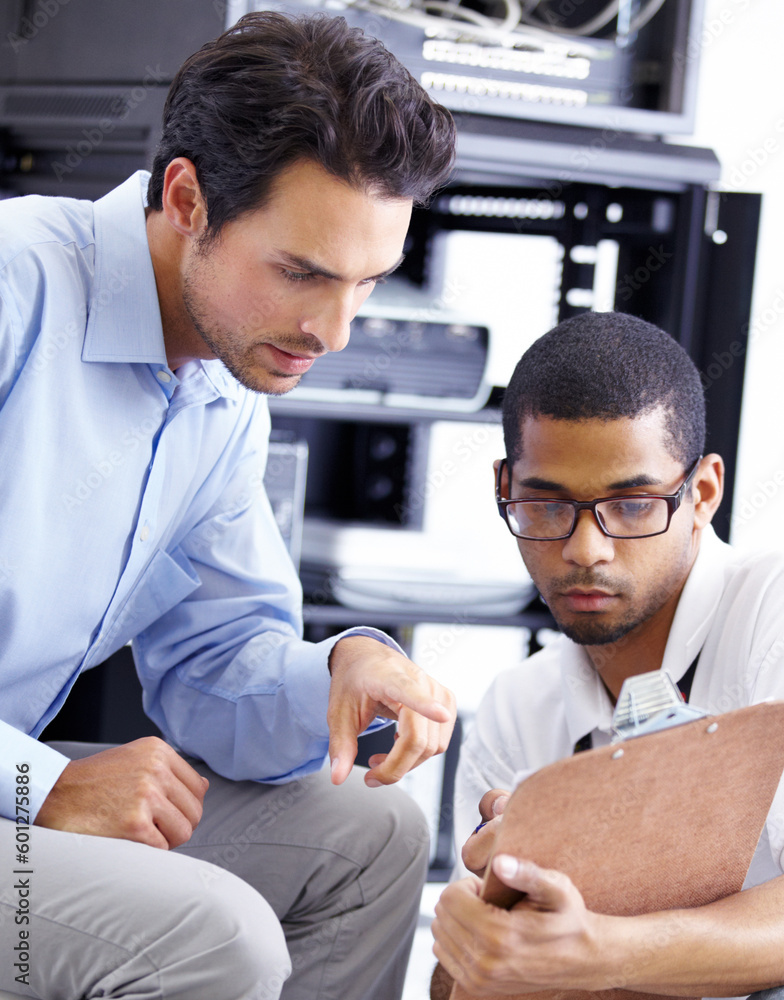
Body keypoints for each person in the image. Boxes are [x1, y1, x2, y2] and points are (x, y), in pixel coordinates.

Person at [0, 11, 458, 1000]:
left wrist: (341, 671)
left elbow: (215, 669)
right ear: (186, 198)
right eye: (301, 273)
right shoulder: (13, 285)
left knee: (372, 834)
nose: (332, 332)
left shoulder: (219, 384)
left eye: (367, 285)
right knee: (218, 935)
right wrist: (38, 786)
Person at [430, 311, 784, 999]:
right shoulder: (516, 708)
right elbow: (457, 985)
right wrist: (493, 926)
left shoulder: (773, 613)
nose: (584, 551)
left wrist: (597, 951)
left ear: (703, 493)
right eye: (546, 506)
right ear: (505, 488)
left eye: (631, 505)